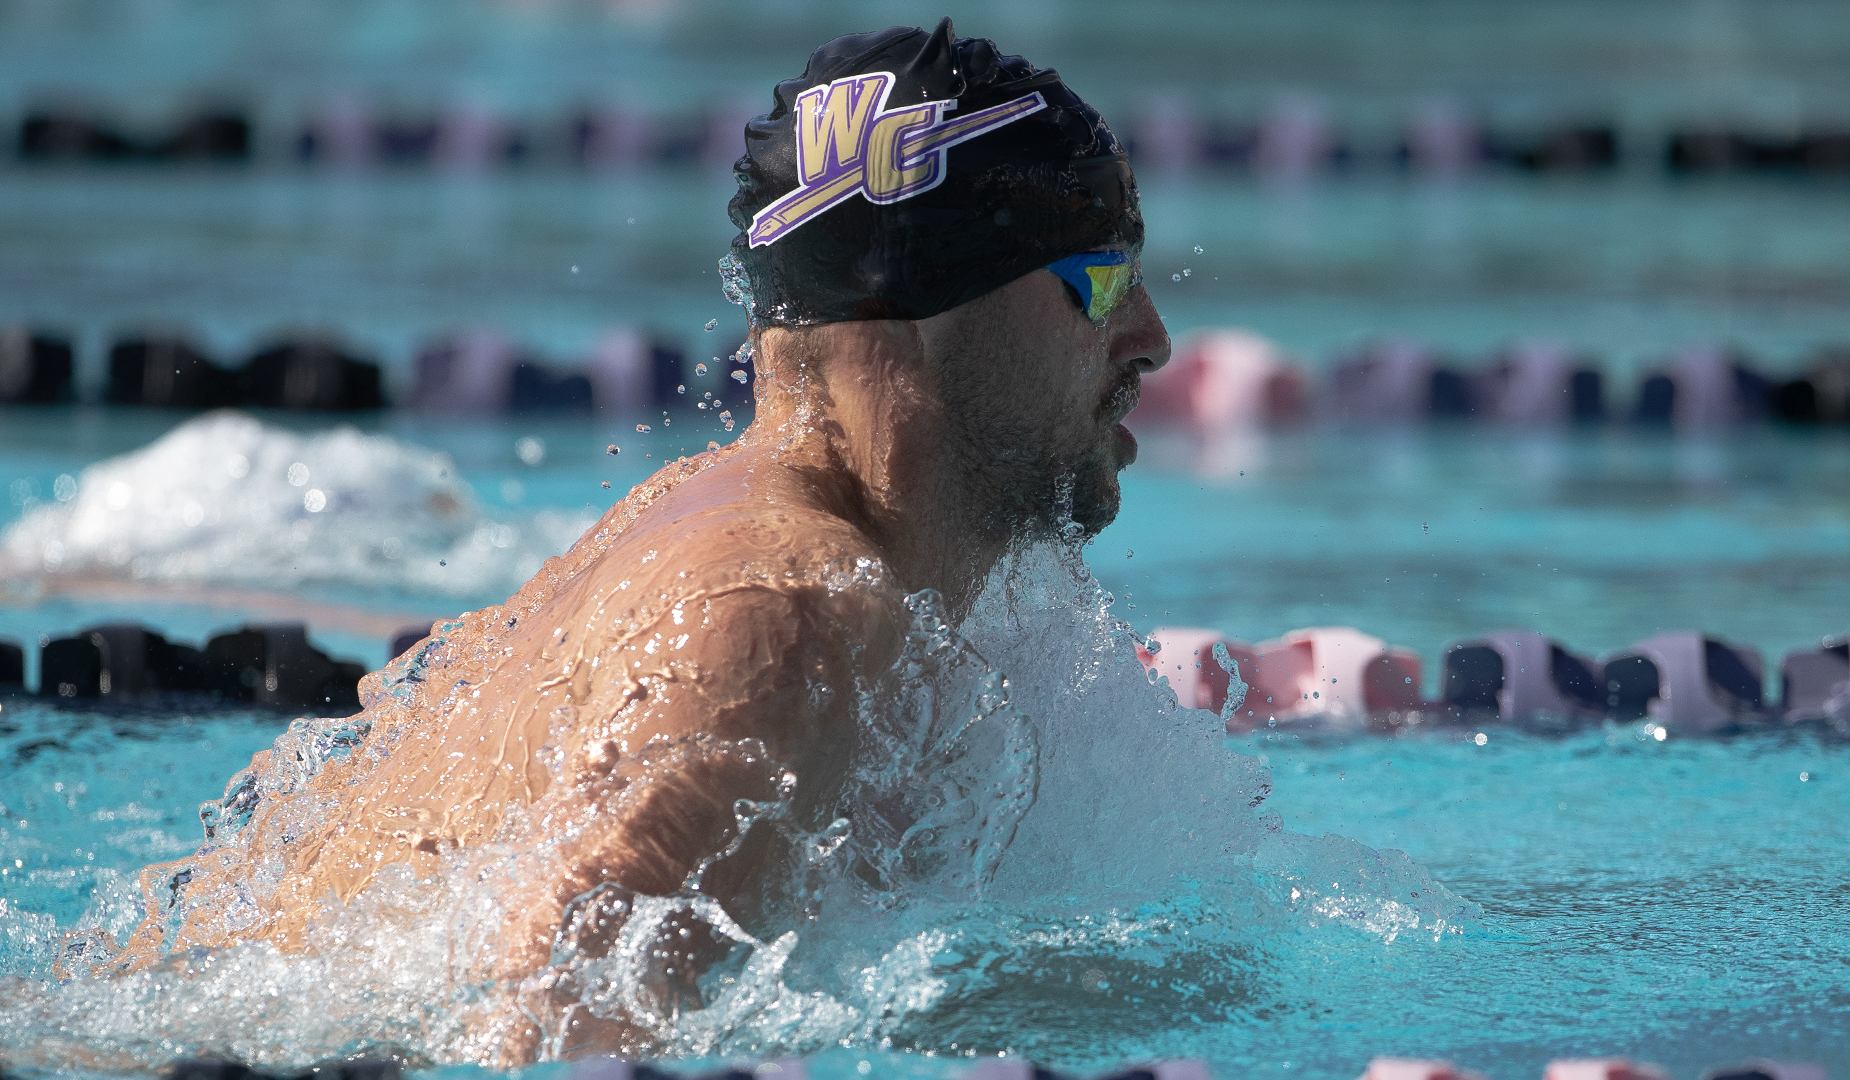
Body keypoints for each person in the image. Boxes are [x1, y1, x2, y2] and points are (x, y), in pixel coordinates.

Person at [108, 18, 1168, 1061]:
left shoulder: (715, 521)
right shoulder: (783, 617)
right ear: (925, 304)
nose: (1152, 339)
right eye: (1104, 281)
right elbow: (549, 1014)